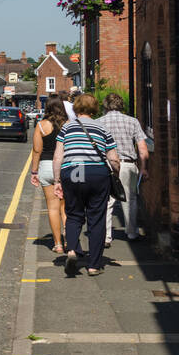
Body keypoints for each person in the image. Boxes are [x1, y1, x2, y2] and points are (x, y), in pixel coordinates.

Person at [51, 93, 120, 277]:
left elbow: (58, 155)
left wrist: (57, 180)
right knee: (96, 218)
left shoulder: (67, 128)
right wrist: (116, 174)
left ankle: (72, 250)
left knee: (73, 214)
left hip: (73, 170)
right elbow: (113, 159)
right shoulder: (102, 128)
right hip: (96, 173)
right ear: (95, 108)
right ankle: (94, 265)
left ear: (76, 108)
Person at [98, 93, 149, 243]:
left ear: (105, 105)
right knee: (130, 199)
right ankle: (132, 232)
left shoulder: (99, 122)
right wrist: (144, 168)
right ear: (121, 105)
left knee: (107, 201)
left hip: (107, 164)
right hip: (128, 164)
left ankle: (106, 237)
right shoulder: (132, 121)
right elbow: (142, 148)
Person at [30, 98, 69, 255]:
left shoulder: (41, 125)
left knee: (52, 208)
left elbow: (37, 150)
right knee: (65, 207)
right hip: (65, 166)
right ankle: (70, 241)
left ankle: (58, 244)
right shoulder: (68, 125)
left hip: (46, 166)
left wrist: (34, 172)